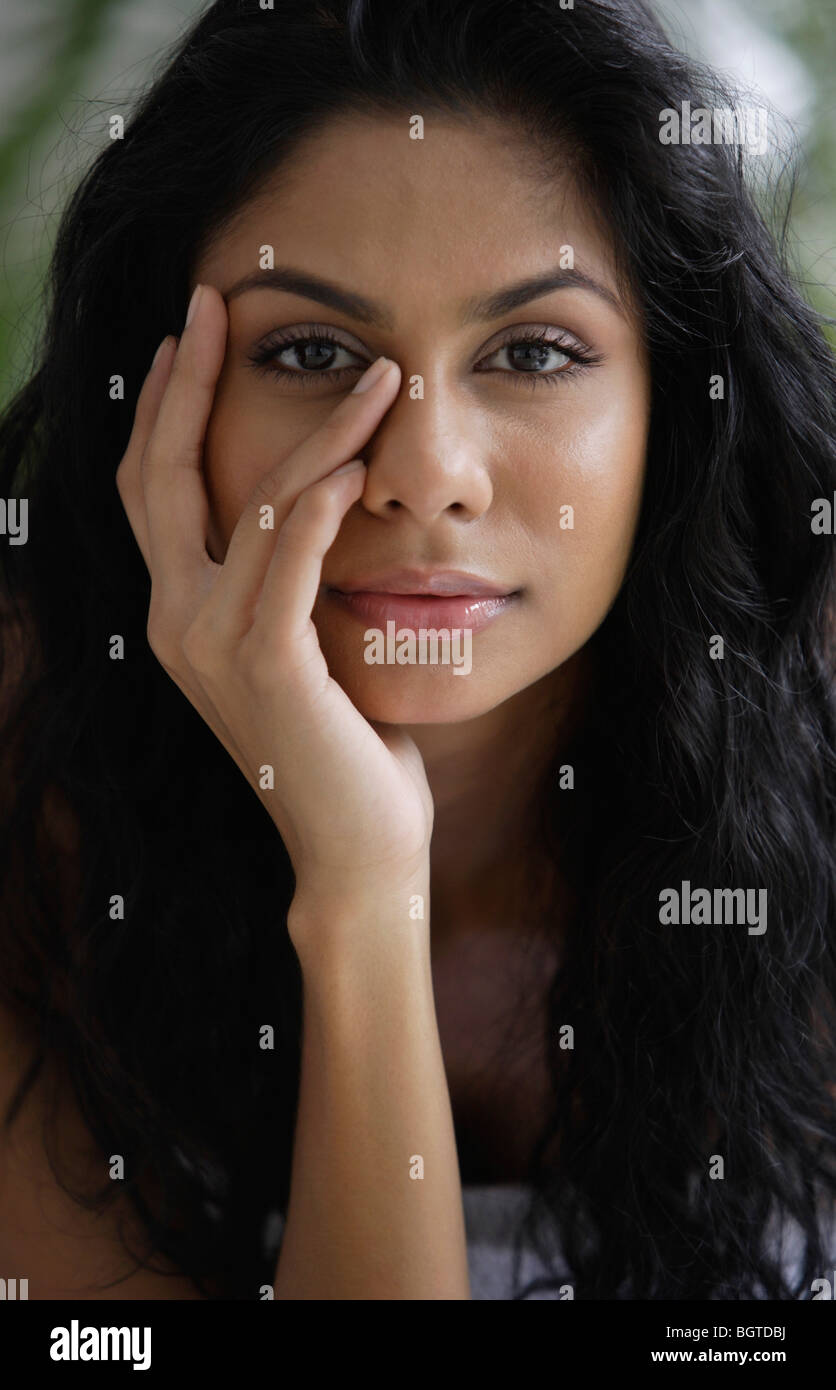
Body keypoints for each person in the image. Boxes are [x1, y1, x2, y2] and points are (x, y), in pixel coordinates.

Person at [0, 0, 834, 1301]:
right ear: (158, 399)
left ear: (672, 411)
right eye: (314, 350)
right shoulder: (26, 792)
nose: (424, 474)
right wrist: (359, 885)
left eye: (537, 350)